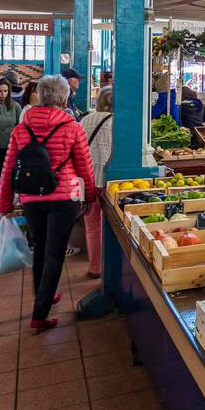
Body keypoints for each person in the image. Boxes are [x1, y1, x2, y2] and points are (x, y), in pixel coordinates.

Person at [0, 75, 96, 333]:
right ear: (64, 98)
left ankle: (44, 294)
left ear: (40, 96)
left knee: (39, 248)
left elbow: (9, 169)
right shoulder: (73, 127)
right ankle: (39, 314)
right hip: (64, 197)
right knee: (54, 254)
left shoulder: (22, 128)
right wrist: (91, 194)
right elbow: (84, 166)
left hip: (31, 198)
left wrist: (5, 203)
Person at [80, 90, 114, 280]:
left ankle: (95, 267)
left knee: (92, 225)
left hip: (89, 179)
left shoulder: (85, 120)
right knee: (114, 225)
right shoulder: (117, 122)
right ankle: (112, 264)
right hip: (111, 180)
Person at [0, 78, 21, 189]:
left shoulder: (14, 106)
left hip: (10, 149)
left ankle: (7, 205)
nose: (3, 94)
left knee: (9, 181)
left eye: (6, 91)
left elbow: (20, 127)